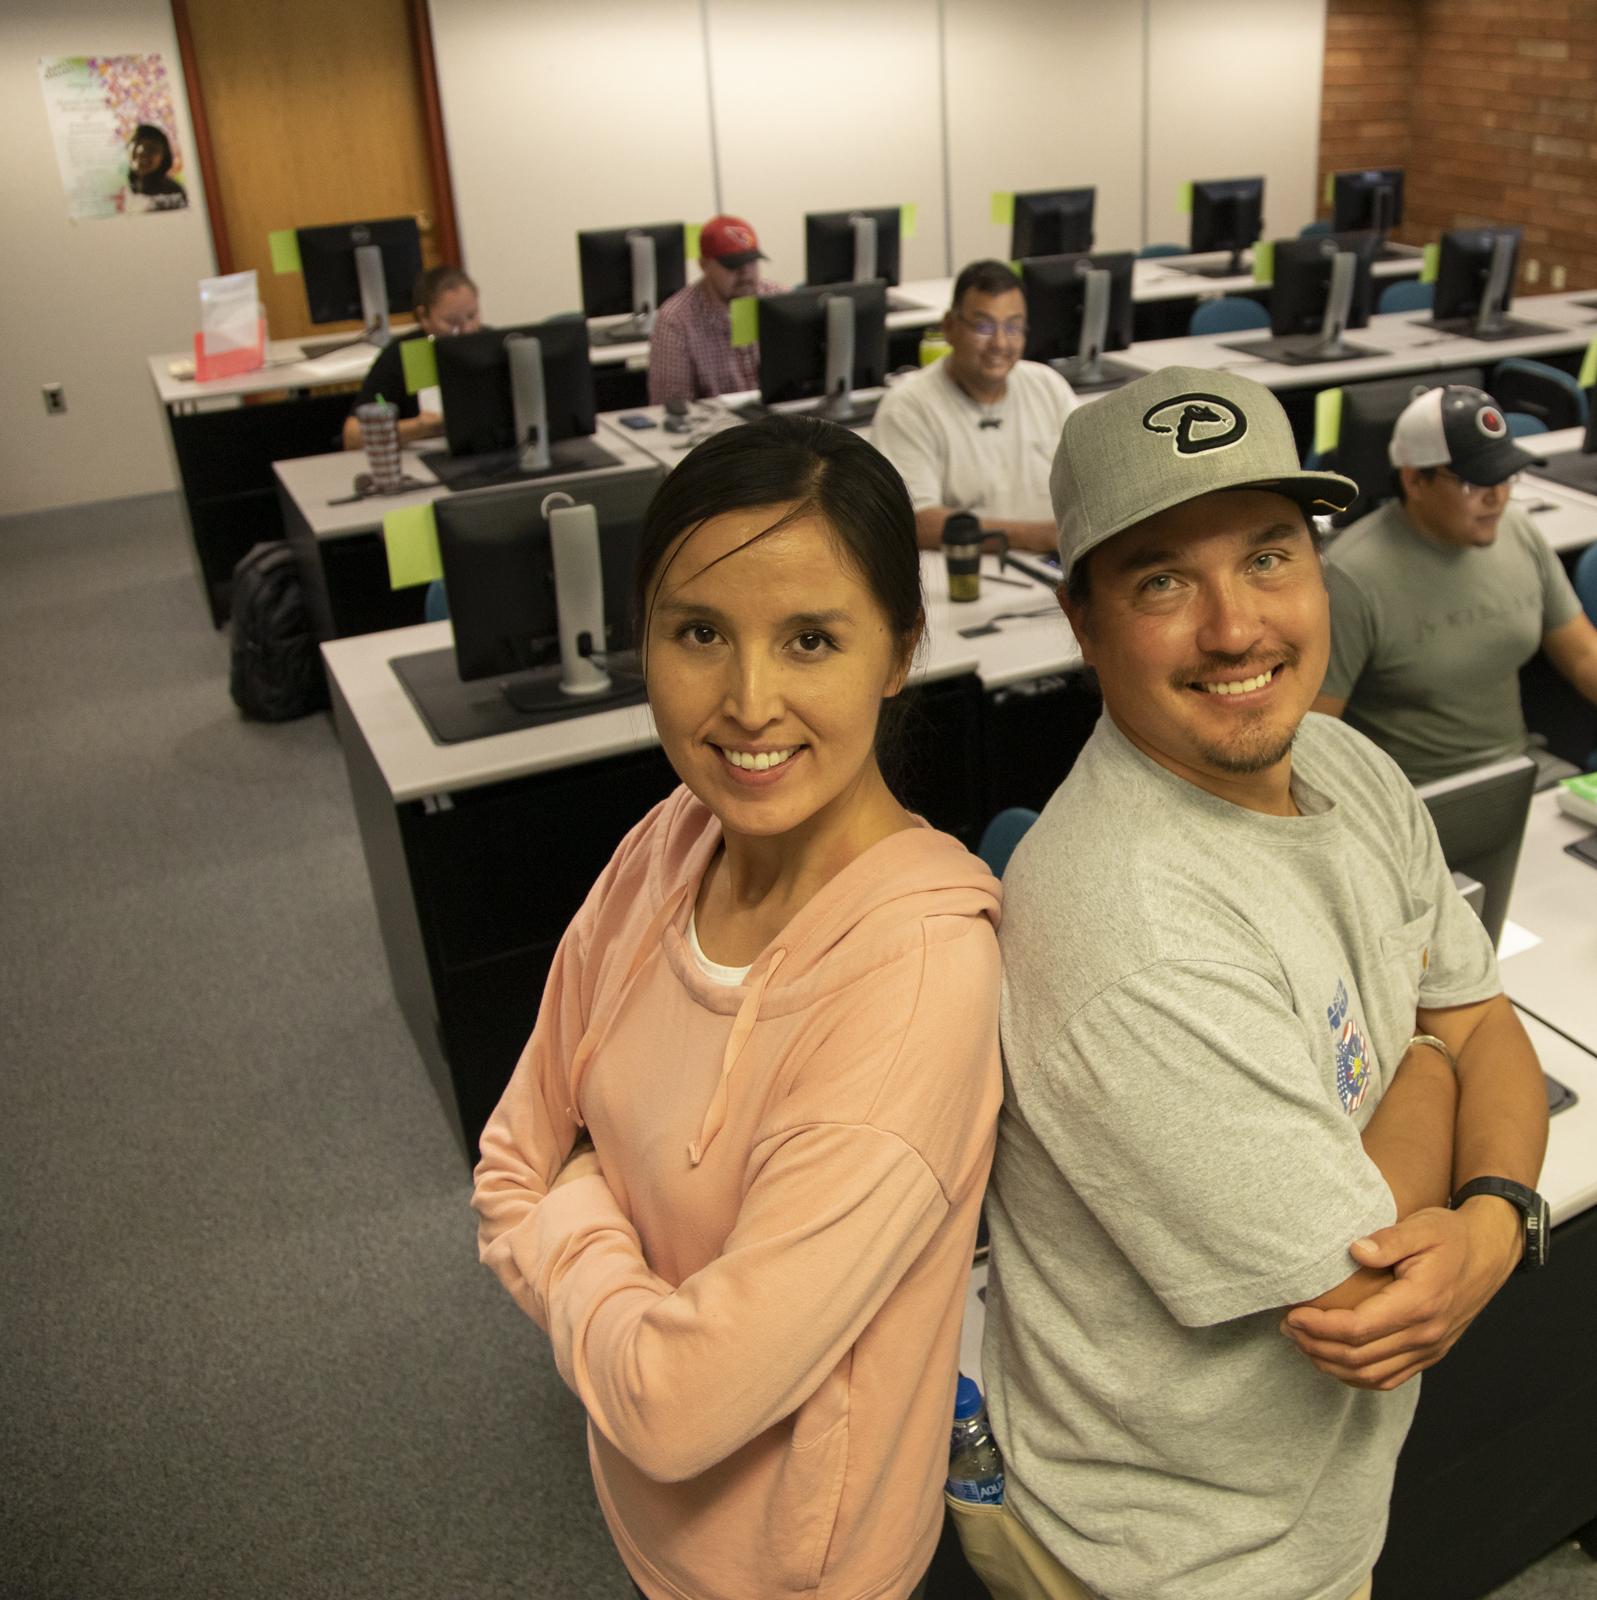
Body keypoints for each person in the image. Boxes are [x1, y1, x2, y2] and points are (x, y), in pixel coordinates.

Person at [972, 366, 1554, 1600]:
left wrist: (1497, 1216)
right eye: (1162, 581)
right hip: (1176, 1560)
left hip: (1308, 1504)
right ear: (1082, 620)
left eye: (1269, 557)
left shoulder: (1345, 760)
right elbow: (1367, 1291)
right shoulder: (1131, 931)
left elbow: (1490, 1020)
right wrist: (1433, 1049)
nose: (1236, 628)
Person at [471, 416, 1003, 1600]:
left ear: (899, 651)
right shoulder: (672, 841)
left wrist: (575, 1201)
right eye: (700, 632)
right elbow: (508, 1165)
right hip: (644, 1518)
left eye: (811, 639)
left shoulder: (918, 982)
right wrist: (589, 1242)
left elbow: (675, 1405)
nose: (748, 703)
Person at [1312, 384, 1597, 782]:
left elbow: (1584, 654)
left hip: (1518, 768)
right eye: (1475, 483)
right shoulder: (1351, 578)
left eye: (1506, 477)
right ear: (1415, 481)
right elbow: (1316, 736)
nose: (1498, 498)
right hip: (1412, 792)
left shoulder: (1518, 530)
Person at [874, 260, 1074, 553]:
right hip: (967, 568)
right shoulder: (907, 407)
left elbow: (1097, 476)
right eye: (984, 327)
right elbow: (917, 521)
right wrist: (1037, 537)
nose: (999, 343)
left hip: (1051, 560)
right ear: (949, 327)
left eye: (1013, 327)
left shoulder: (1048, 386)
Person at [647, 214, 785, 405]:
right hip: (717, 423)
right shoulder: (676, 320)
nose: (745, 273)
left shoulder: (780, 300)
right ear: (704, 265)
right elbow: (671, 408)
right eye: (733, 264)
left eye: (751, 261)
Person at [341, 266, 482, 449]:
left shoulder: (493, 345)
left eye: (472, 316)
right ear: (424, 316)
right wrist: (418, 428)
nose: (466, 330)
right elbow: (352, 436)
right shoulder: (402, 355)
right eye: (452, 322)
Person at [122, 123, 187, 212]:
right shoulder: (118, 187)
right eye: (136, 144)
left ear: (164, 158)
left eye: (151, 149)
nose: (141, 152)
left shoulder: (173, 192)